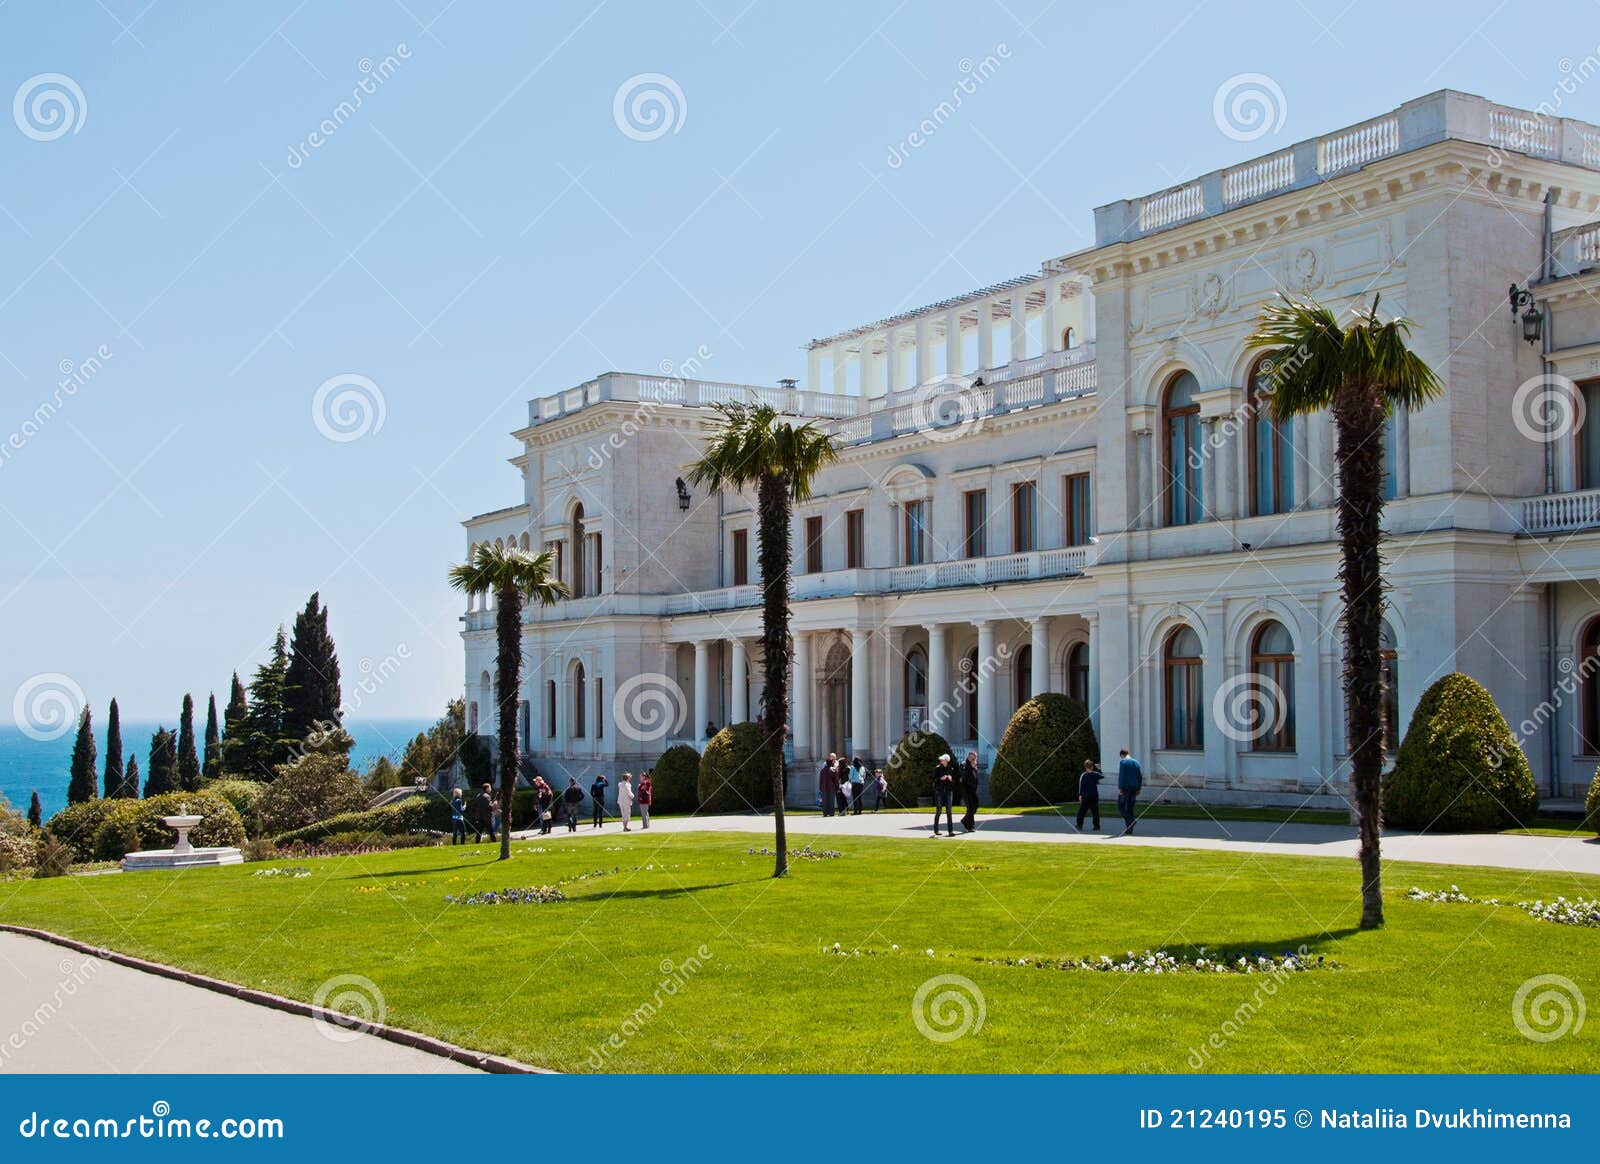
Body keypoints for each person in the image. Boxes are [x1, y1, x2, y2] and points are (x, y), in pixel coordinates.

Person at [1116, 748, 1143, 835]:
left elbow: (1122, 776)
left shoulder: (1123, 762)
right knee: (1130, 808)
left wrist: (1120, 788)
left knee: (1121, 806)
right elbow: (1139, 776)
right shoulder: (1136, 762)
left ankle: (1131, 821)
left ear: (1122, 755)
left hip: (1125, 788)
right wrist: (1139, 788)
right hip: (1134, 788)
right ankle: (1129, 829)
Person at [931, 753, 956, 837]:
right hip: (939, 791)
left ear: (946, 761)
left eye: (943, 760)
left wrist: (951, 779)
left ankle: (950, 831)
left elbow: (955, 781)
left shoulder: (951, 768)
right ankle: (936, 830)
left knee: (949, 811)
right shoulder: (937, 769)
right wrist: (940, 778)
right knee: (939, 811)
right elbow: (934, 779)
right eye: (941, 760)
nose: (941, 761)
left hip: (948, 791)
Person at [1076, 757, 1102, 831]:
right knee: (1095, 811)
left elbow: (1081, 786)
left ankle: (1079, 825)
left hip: (1086, 796)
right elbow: (1102, 776)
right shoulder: (1095, 774)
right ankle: (1096, 826)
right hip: (1094, 795)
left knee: (1082, 811)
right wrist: (1099, 768)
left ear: (1085, 766)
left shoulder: (1083, 775)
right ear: (1092, 766)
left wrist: (1080, 795)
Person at [959, 751, 981, 832]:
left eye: (976, 757)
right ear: (969, 757)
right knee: (970, 808)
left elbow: (974, 778)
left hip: (973, 790)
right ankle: (970, 826)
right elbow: (963, 776)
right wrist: (971, 767)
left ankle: (965, 820)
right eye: (973, 757)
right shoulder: (964, 764)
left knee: (975, 806)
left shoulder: (974, 764)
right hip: (966, 790)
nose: (975, 759)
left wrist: (974, 768)